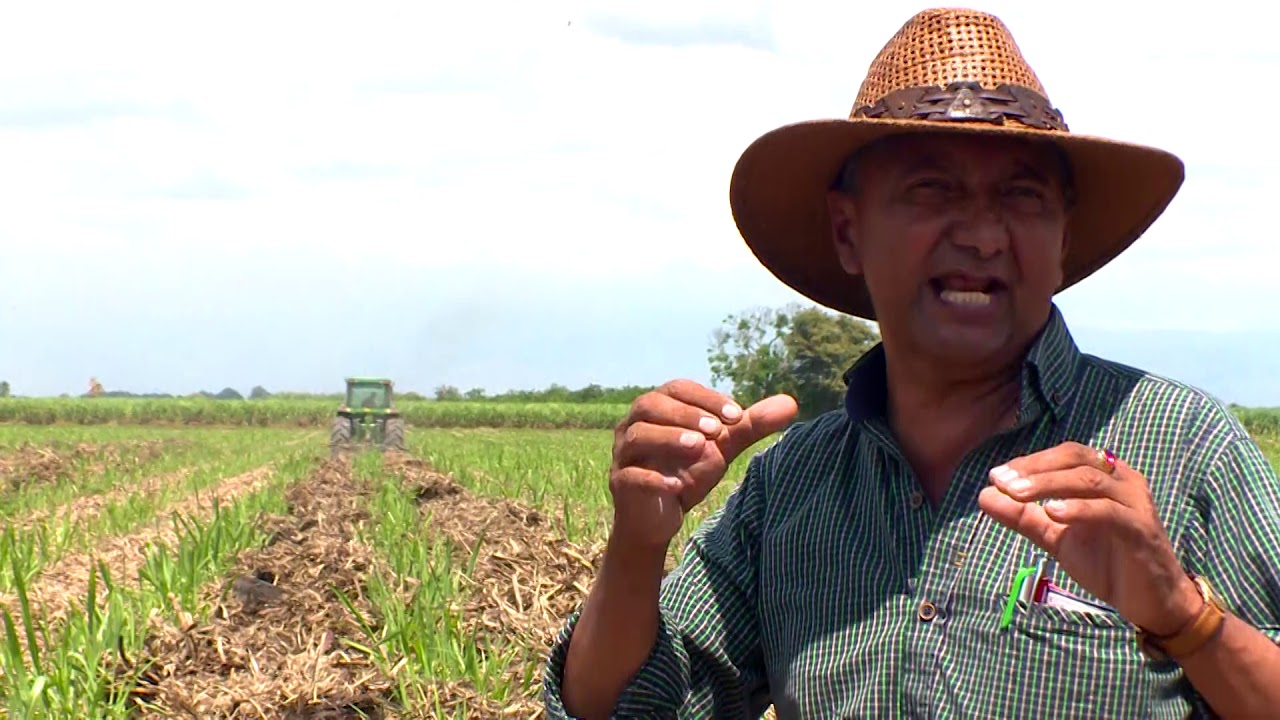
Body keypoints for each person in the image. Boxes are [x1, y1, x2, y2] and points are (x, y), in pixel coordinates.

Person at [542, 7, 1280, 719]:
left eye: (1022, 196)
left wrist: (1184, 616)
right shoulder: (792, 485)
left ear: (1063, 240)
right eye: (934, 189)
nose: (985, 236)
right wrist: (638, 544)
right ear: (847, 231)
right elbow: (619, 710)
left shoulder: (1181, 447)